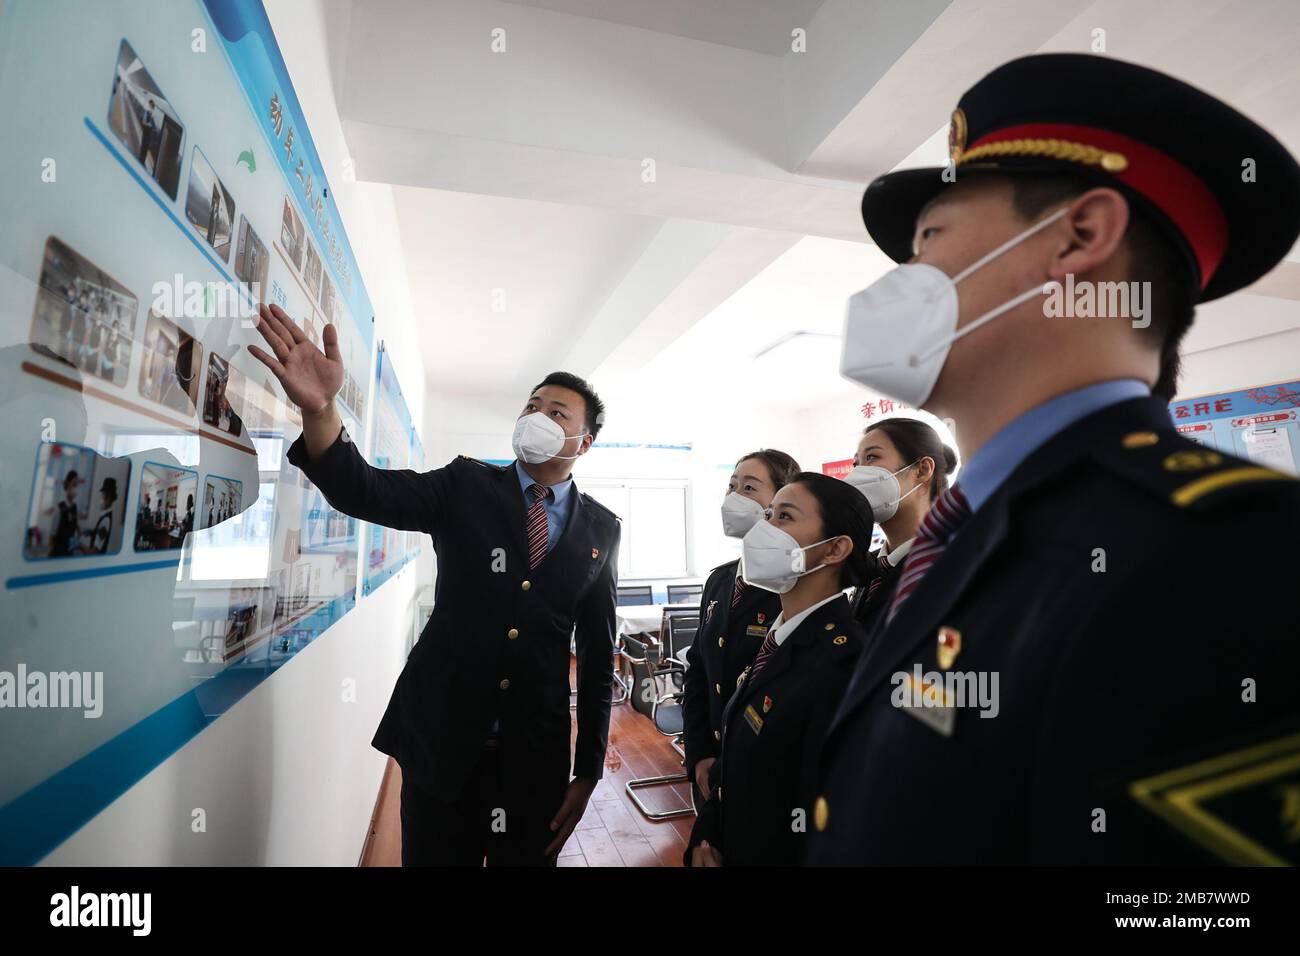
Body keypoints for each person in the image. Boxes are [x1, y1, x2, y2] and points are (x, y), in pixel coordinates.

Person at [810, 53, 1300, 865]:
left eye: (929, 237)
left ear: (1078, 237)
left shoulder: (1229, 552)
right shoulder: (962, 529)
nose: (905, 277)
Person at [249, 302, 621, 866]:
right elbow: (366, 491)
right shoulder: (466, 484)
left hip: (534, 755)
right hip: (440, 739)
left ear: (584, 442)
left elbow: (597, 657)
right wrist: (322, 411)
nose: (538, 415)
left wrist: (589, 768)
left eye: (558, 412)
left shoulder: (602, 529)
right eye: (532, 404)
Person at [685, 472, 873, 866]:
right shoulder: (779, 635)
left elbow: (822, 814)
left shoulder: (843, 662)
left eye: (784, 517)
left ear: (834, 548)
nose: (763, 528)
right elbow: (737, 760)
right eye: (767, 514)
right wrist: (707, 836)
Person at [682, 448, 800, 809]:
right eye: (731, 486)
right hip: (710, 767)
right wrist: (700, 753)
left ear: (783, 498)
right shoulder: (720, 579)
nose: (734, 497)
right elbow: (699, 670)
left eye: (749, 488)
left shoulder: (794, 583)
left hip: (763, 777)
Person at [843, 418, 957, 631]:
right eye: (856, 464)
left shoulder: (953, 560)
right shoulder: (869, 566)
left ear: (922, 470)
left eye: (872, 457)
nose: (857, 474)